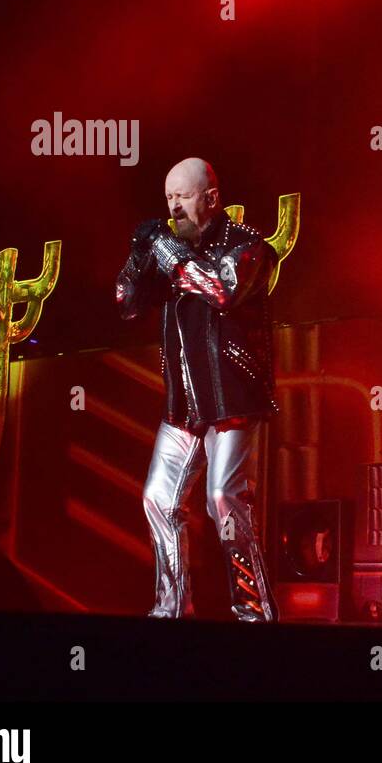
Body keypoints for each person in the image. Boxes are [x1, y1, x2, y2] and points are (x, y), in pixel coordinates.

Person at [114, 157, 280, 622]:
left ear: (210, 198)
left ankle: (254, 613)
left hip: (232, 400)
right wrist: (139, 255)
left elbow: (219, 289)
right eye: (168, 199)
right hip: (183, 407)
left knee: (223, 500)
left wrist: (165, 250)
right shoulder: (172, 253)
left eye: (182, 197)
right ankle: (171, 608)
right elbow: (125, 301)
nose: (174, 209)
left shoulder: (249, 248)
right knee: (157, 500)